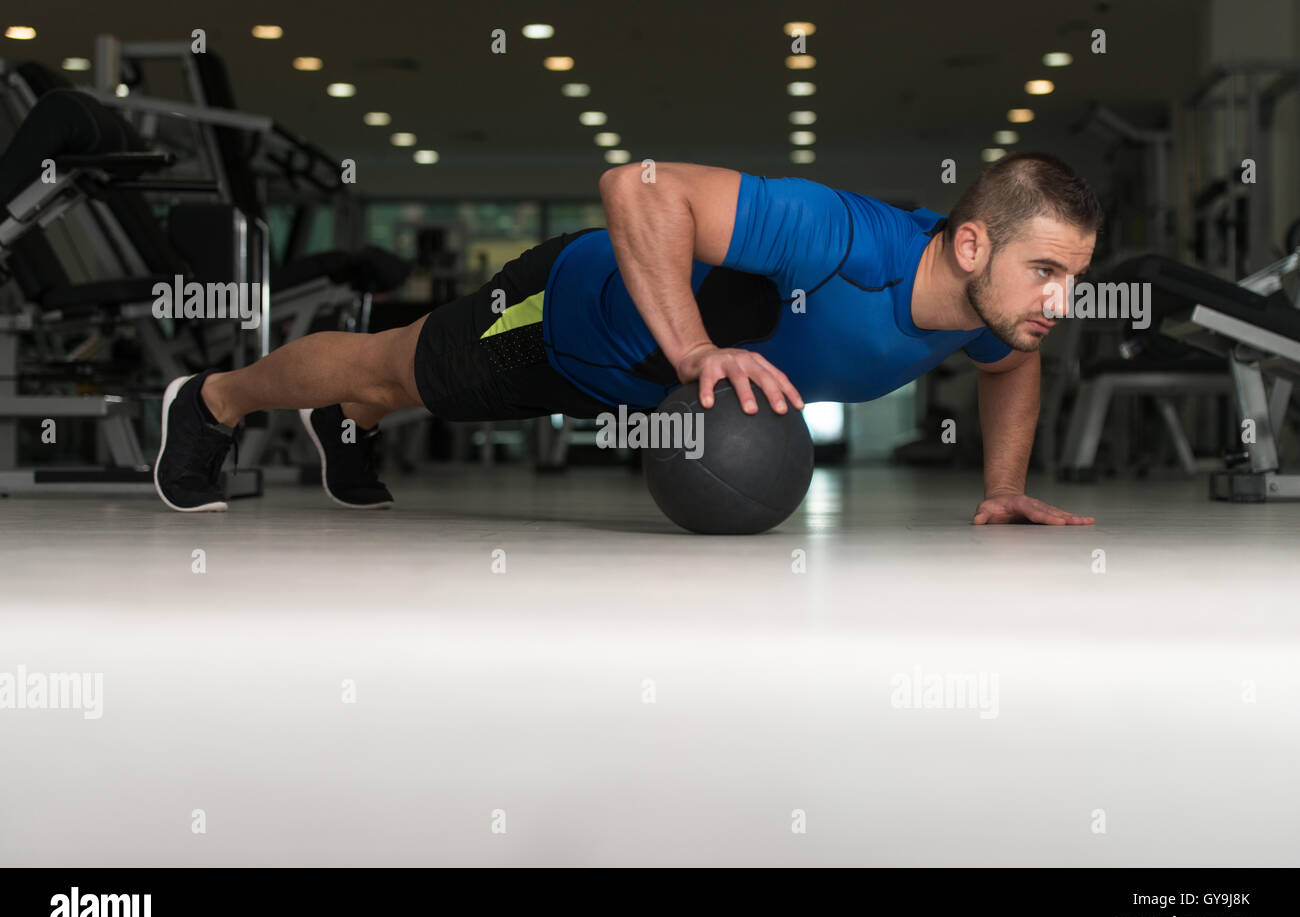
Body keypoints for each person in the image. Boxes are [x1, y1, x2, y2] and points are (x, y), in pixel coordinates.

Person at [154, 151, 1098, 526]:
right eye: (1045, 272)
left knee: (399, 395)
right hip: (566, 316)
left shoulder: (987, 313)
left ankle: (348, 425)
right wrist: (695, 354)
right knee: (389, 366)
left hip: (636, 392)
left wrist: (1004, 488)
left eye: (1073, 282)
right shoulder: (843, 238)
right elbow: (638, 186)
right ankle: (211, 402)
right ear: (971, 243)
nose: (1058, 302)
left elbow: (1014, 364)